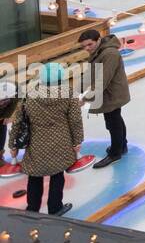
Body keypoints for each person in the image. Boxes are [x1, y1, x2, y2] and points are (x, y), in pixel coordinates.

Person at [7, 62, 81, 216]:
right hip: (61, 141)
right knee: (57, 175)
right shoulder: (69, 94)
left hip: (36, 144)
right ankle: (55, 208)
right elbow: (75, 120)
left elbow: (18, 121)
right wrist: (77, 141)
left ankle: (32, 209)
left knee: (34, 177)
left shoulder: (29, 95)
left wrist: (13, 144)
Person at [78, 28, 131, 168]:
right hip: (108, 93)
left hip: (113, 93)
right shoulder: (99, 52)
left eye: (89, 44)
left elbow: (102, 80)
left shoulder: (109, 54)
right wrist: (76, 90)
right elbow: (91, 74)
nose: (87, 48)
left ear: (98, 40)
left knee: (113, 122)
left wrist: (85, 99)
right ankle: (122, 146)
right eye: (84, 46)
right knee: (115, 120)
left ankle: (115, 153)